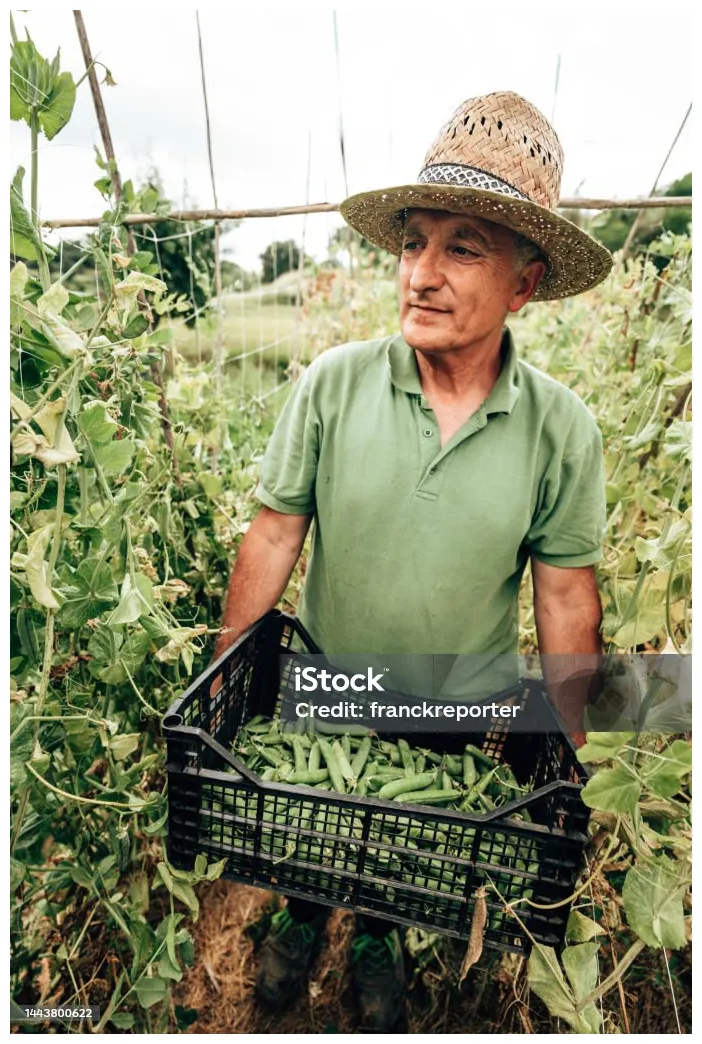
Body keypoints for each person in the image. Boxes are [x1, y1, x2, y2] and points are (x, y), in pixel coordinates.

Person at [212, 91, 612, 1032]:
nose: (421, 276)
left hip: (450, 698)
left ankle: (379, 939)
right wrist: (227, 669)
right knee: (311, 821)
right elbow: (273, 535)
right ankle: (301, 921)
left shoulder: (561, 429)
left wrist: (569, 748)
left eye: (462, 249)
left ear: (524, 284)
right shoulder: (334, 384)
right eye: (413, 243)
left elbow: (565, 600)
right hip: (327, 682)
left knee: (406, 845)